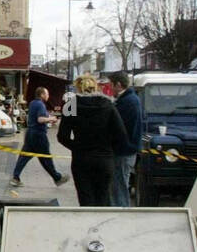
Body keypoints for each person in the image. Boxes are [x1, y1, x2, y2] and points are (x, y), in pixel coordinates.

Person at [58, 73, 127, 207]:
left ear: (77, 88)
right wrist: (109, 149)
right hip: (105, 159)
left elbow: (62, 136)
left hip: (81, 160)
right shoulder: (107, 105)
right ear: (95, 87)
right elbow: (121, 135)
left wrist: (77, 147)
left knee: (86, 199)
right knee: (103, 198)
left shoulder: (71, 105)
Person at [10, 87, 69, 188]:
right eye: (47, 94)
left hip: (30, 133)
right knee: (46, 157)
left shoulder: (33, 103)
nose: (48, 96)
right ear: (42, 95)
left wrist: (48, 116)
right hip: (39, 134)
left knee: (24, 156)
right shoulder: (41, 104)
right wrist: (51, 118)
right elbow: (40, 119)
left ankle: (15, 177)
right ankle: (57, 178)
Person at [107, 71, 143, 206]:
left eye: (111, 85)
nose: (110, 89)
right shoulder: (131, 99)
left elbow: (118, 127)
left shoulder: (127, 102)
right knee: (119, 184)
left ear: (118, 85)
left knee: (119, 187)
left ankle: (120, 214)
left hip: (123, 151)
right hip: (126, 150)